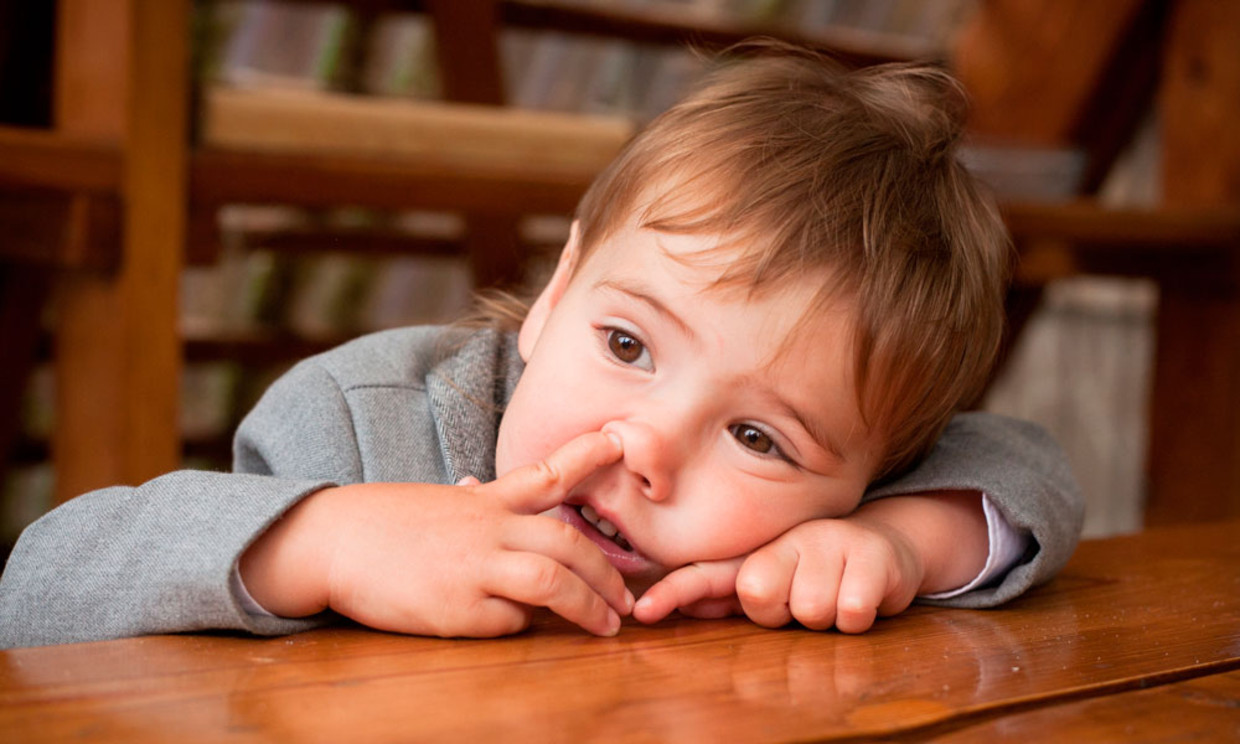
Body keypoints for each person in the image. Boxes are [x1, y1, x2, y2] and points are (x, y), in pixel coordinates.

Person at [0, 43, 1082, 649]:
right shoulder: (360, 421)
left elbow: (1028, 466)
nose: (645, 446)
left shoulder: (832, 518)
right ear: (557, 291)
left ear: (865, 474)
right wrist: (324, 542)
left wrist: (902, 543)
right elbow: (37, 590)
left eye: (756, 435)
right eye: (626, 342)